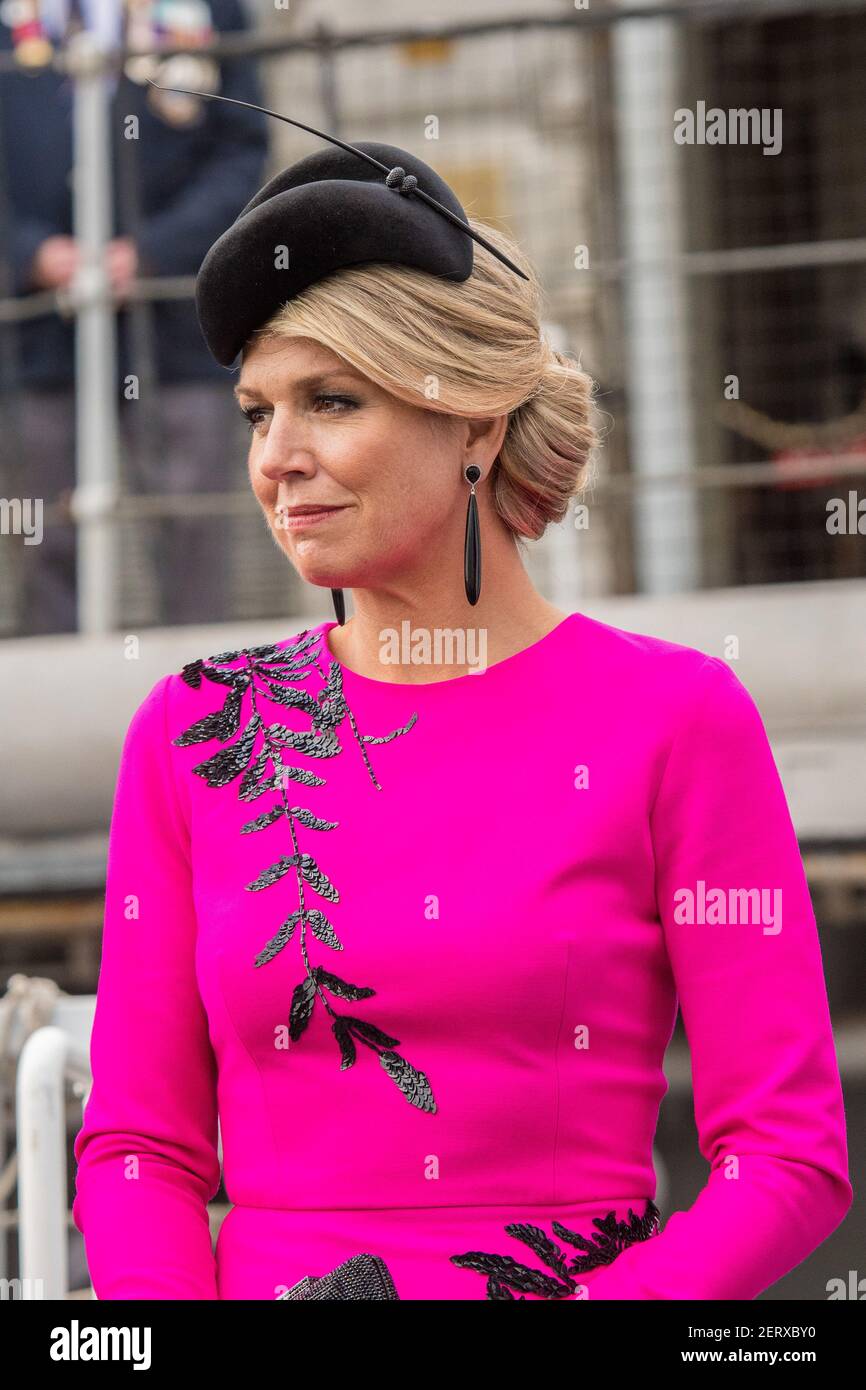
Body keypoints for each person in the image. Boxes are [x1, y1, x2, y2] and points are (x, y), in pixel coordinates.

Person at [70, 103, 853, 1299]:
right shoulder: (190, 736)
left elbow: (786, 1153)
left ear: (473, 418)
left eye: (331, 400)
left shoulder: (675, 720)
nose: (276, 455)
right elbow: (138, 1150)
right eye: (257, 411)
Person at [0, 0, 268, 632]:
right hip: (35, 333)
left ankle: (202, 706)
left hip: (177, 317)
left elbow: (242, 148)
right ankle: (58, 710)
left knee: (192, 528)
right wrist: (28, 253)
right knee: (42, 533)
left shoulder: (213, 8)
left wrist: (153, 251)